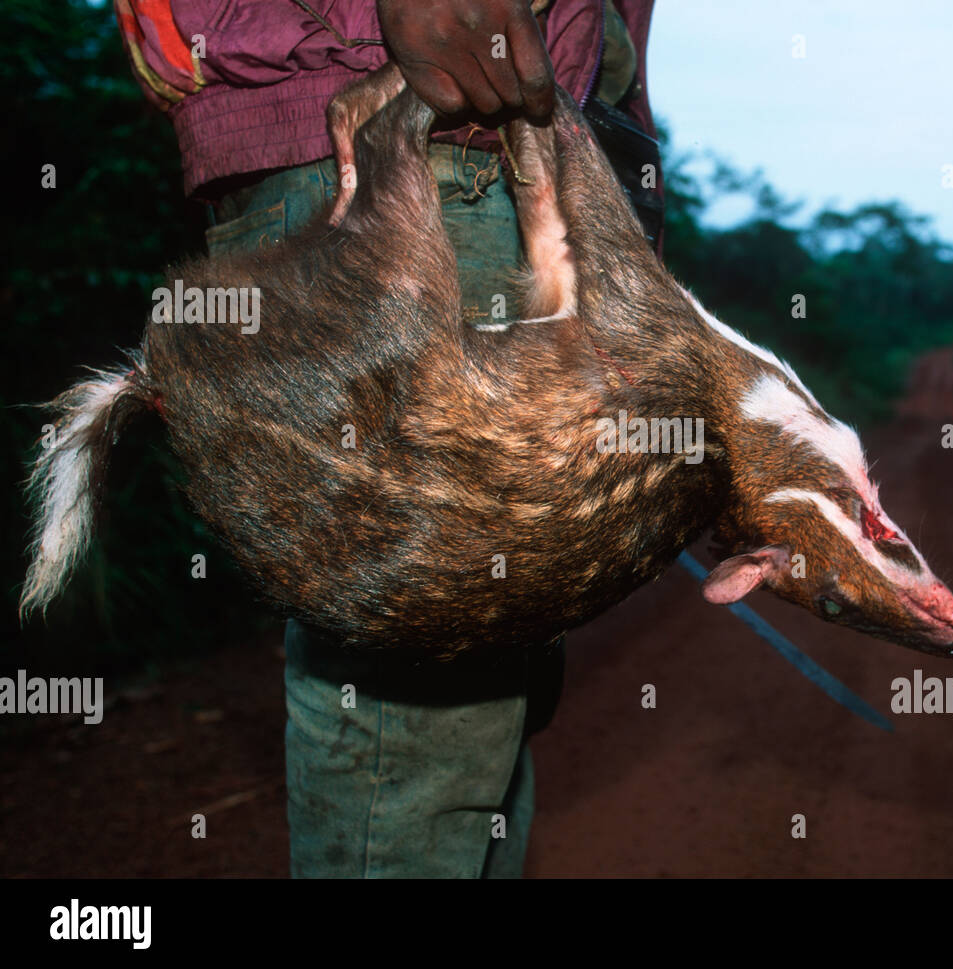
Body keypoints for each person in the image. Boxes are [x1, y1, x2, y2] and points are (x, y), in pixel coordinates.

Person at [115, 0, 661, 877]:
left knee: (488, 700)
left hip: (488, 138)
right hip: (429, 149)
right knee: (419, 723)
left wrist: (624, 174)